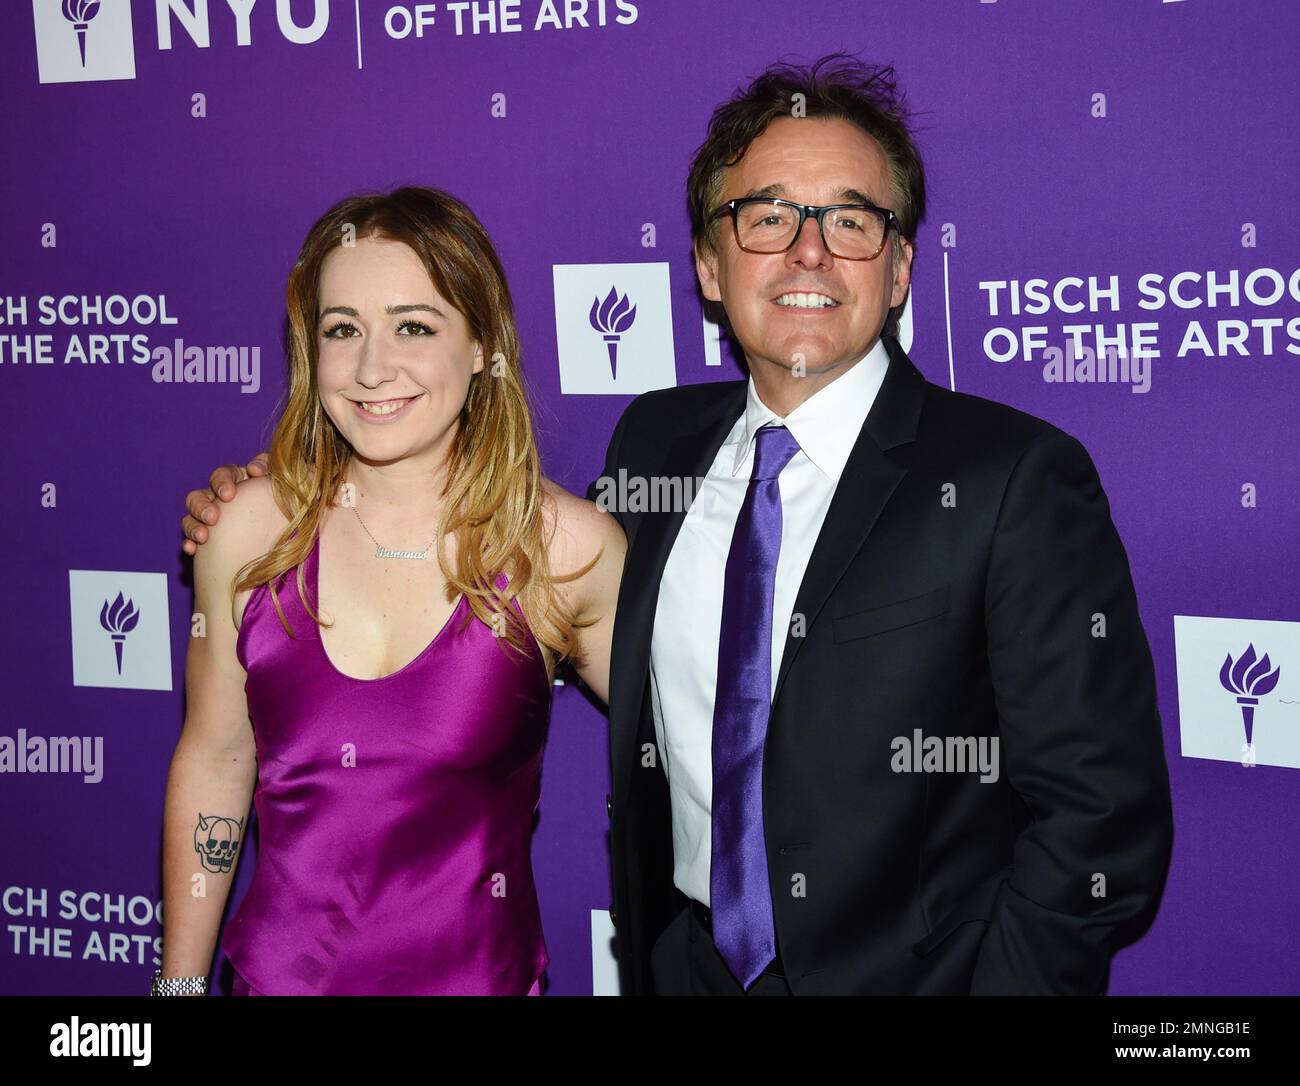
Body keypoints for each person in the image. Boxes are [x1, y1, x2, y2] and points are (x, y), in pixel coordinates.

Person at [182, 55, 1174, 998]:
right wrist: (274, 496)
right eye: (766, 217)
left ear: (903, 264)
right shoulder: (654, 449)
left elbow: (1100, 823)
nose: (808, 250)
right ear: (706, 262)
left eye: (851, 219)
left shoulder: (1011, 479)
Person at [160, 186, 624, 996]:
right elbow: (217, 759)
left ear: (484, 345)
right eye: (344, 331)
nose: (372, 369)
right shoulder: (247, 532)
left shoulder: (566, 549)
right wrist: (177, 989)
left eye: (414, 325)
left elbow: (691, 759)